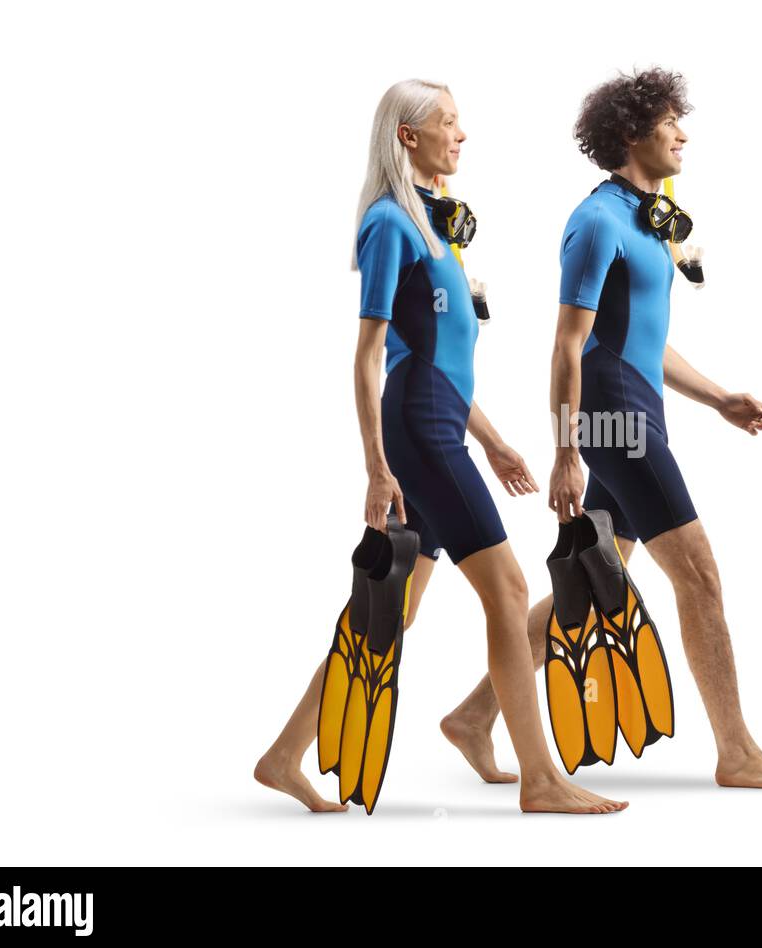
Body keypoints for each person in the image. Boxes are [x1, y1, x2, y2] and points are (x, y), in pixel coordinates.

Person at [440, 68, 762, 791]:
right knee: (699, 576)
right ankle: (738, 753)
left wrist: (718, 398)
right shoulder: (596, 221)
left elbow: (641, 340)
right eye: (670, 121)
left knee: (594, 578)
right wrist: (565, 453)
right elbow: (568, 343)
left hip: (636, 406)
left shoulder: (650, 215)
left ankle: (474, 714)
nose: (683, 133)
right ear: (630, 133)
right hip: (612, 421)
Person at [255, 79, 627, 814]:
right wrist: (375, 466)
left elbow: (445, 360)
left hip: (440, 419)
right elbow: (371, 356)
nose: (462, 135)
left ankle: (282, 756)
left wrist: (489, 440)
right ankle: (542, 780)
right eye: (448, 124)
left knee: (392, 612)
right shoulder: (391, 225)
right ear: (407, 137)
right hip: (418, 432)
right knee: (511, 590)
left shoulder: (437, 226)